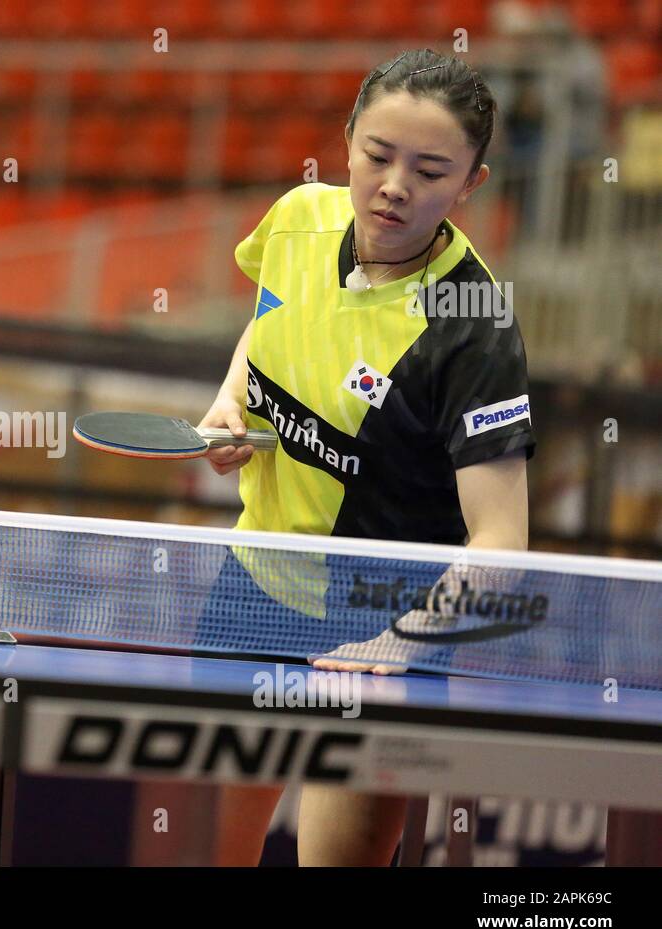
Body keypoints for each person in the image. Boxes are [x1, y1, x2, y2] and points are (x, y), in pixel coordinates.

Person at [197, 49, 537, 866]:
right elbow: (269, 315)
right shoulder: (299, 217)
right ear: (346, 141)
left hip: (385, 617)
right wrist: (229, 400)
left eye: (429, 170)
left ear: (470, 185)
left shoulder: (473, 328)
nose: (394, 185)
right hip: (254, 584)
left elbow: (501, 541)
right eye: (378, 156)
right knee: (202, 854)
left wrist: (398, 640)